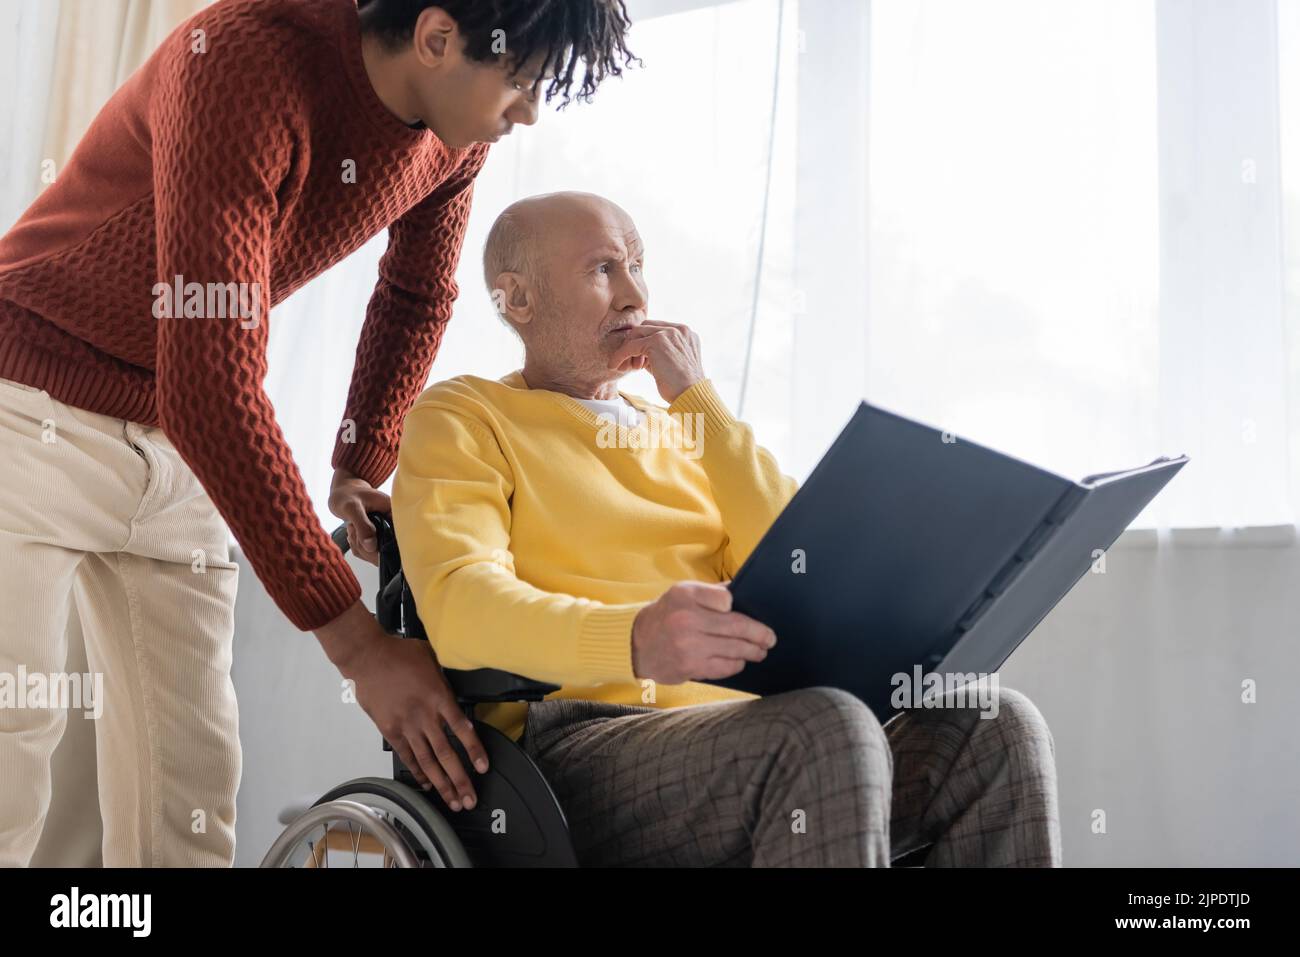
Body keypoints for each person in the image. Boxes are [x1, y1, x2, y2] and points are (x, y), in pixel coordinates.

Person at [0, 0, 637, 867]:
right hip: (28, 406)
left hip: (176, 444)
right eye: (520, 81)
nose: (529, 111)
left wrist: (358, 463)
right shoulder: (238, 61)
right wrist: (359, 648)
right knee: (12, 748)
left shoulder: (455, 131)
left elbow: (415, 293)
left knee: (188, 783)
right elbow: (214, 386)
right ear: (437, 37)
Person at [388, 191, 1063, 866]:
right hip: (575, 746)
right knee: (824, 729)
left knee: (997, 727)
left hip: (746, 728)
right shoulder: (466, 415)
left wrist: (696, 404)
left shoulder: (686, 430)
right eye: (603, 270)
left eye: (638, 266)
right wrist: (632, 638)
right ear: (520, 301)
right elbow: (461, 603)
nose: (634, 295)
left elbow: (802, 560)